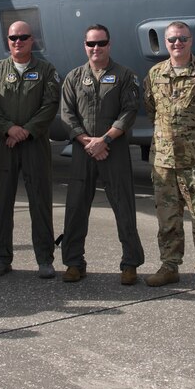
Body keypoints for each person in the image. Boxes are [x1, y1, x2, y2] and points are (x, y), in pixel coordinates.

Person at [142, 20, 195, 295]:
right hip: (164, 161)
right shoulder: (155, 73)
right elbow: (152, 110)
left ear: (190, 41)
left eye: (182, 38)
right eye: (172, 40)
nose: (177, 44)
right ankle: (169, 266)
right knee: (167, 218)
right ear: (165, 43)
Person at [59, 25, 144, 284]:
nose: (96, 48)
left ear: (109, 44)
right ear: (84, 45)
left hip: (113, 149)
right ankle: (74, 262)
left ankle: (130, 264)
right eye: (91, 44)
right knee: (75, 207)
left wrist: (104, 139)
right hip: (83, 150)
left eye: (101, 43)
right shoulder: (74, 77)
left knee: (123, 206)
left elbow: (129, 112)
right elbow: (66, 113)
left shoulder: (124, 76)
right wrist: (87, 141)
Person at [0, 21, 61, 278]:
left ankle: (44, 259)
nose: (18, 41)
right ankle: (1, 257)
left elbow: (50, 105)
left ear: (32, 40)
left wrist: (25, 131)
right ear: (8, 41)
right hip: (5, 145)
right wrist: (8, 129)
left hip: (35, 145)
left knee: (40, 202)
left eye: (24, 37)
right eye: (14, 37)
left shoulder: (46, 71)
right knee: (1, 202)